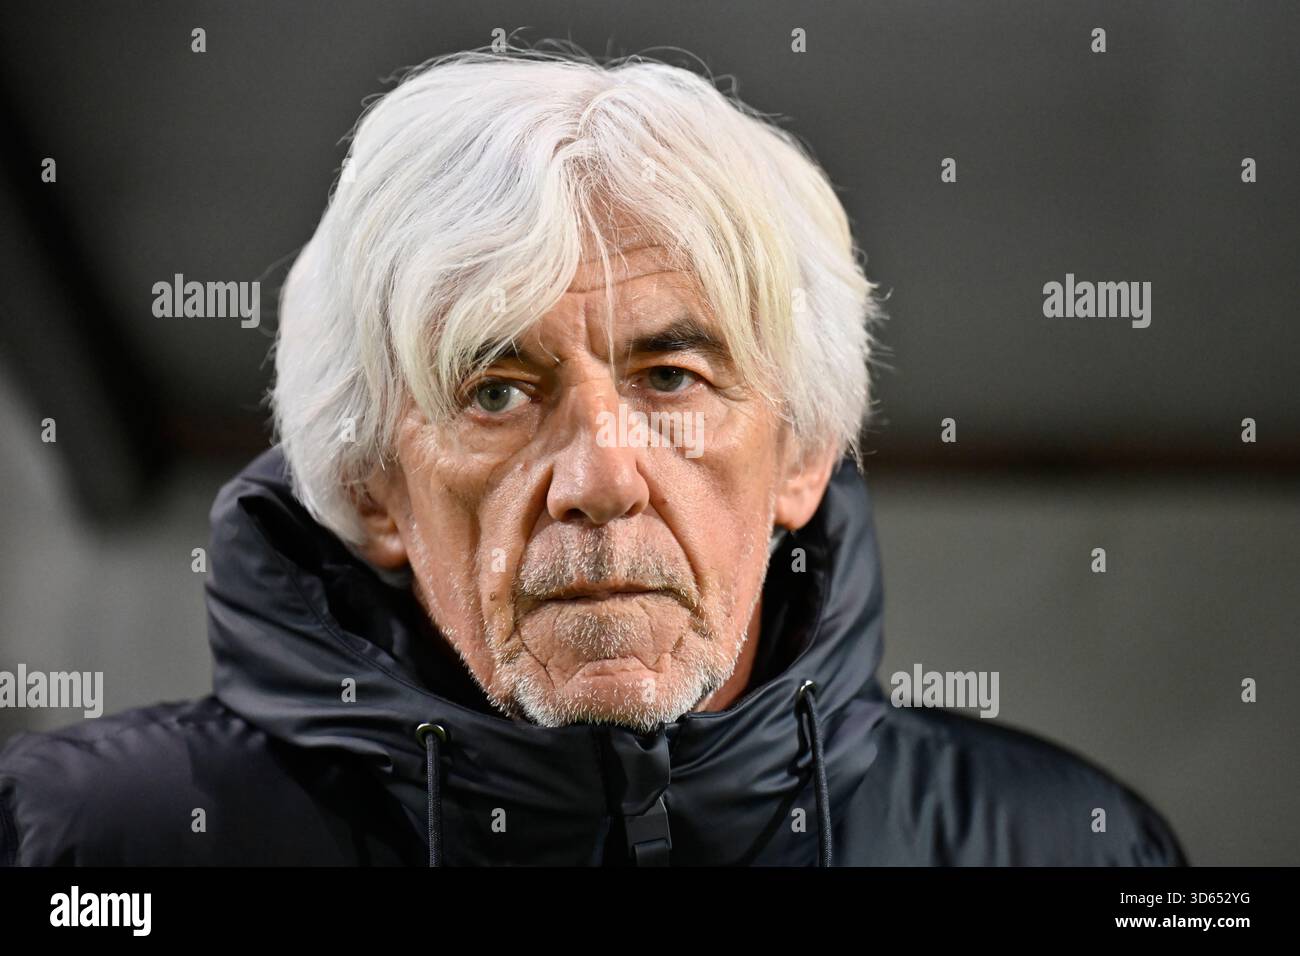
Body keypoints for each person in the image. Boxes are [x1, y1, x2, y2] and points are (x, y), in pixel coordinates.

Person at [0, 45, 1185, 866]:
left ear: (801, 454)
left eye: (671, 378)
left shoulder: (1065, 844)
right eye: (498, 392)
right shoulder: (87, 844)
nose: (602, 479)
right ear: (372, 489)